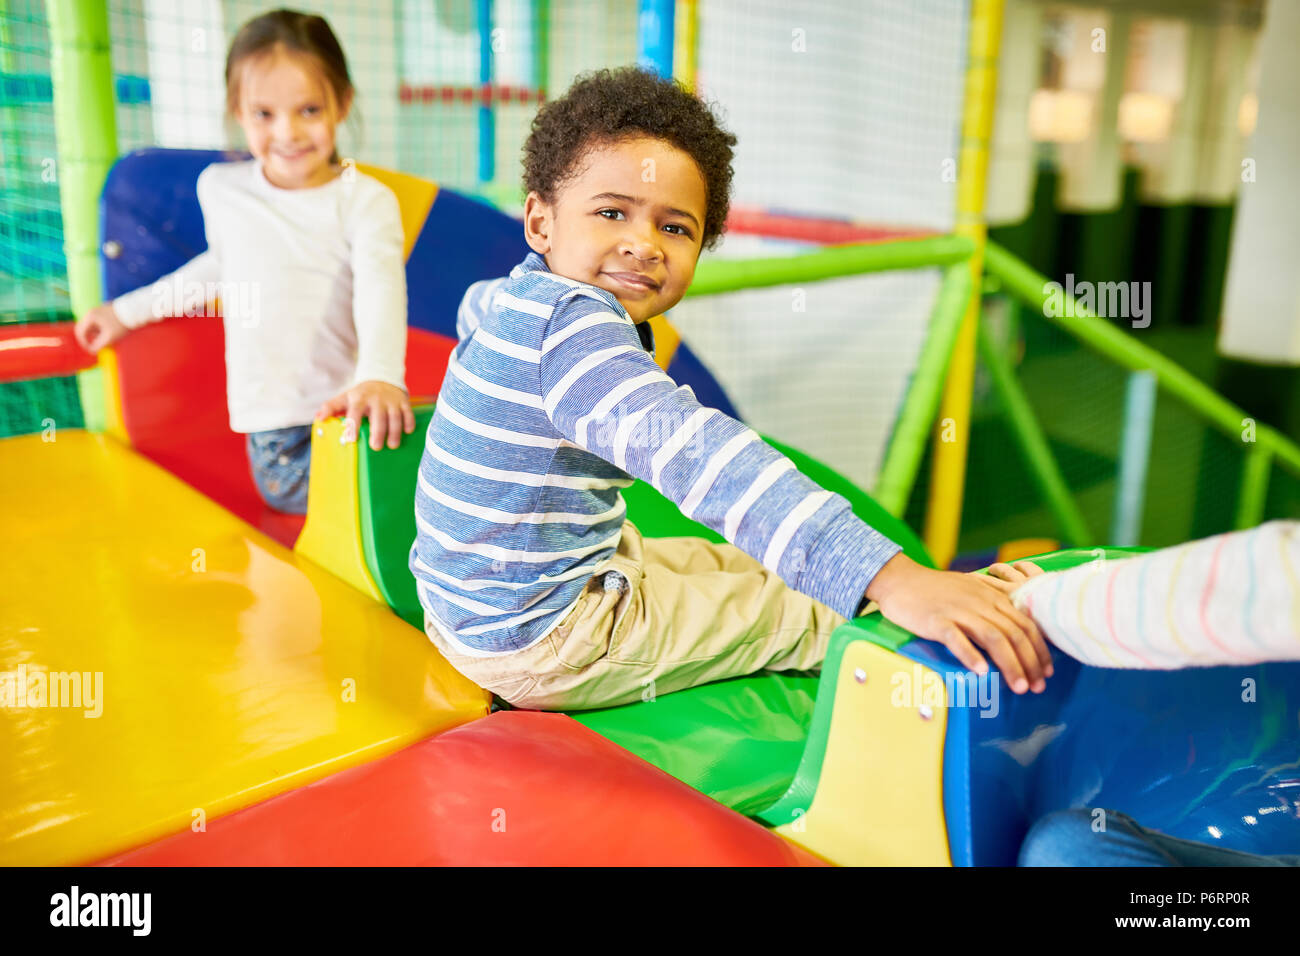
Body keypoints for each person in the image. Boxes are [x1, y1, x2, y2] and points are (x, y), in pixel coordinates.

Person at [408, 66, 1052, 712]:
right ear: (540, 222)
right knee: (791, 613)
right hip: (545, 637)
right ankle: (937, 656)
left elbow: (472, 309)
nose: (642, 245)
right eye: (612, 212)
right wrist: (896, 579)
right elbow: (707, 462)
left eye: (675, 228)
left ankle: (872, 582)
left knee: (731, 564)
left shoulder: (514, 299)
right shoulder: (576, 339)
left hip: (467, 602)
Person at [73, 8, 413, 514]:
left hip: (349, 415)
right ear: (238, 110)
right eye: (264, 114)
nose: (288, 133)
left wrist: (381, 374)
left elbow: (380, 287)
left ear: (341, 103)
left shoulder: (365, 200)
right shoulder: (223, 189)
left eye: (309, 110)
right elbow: (218, 269)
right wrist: (124, 313)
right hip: (281, 439)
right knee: (391, 502)